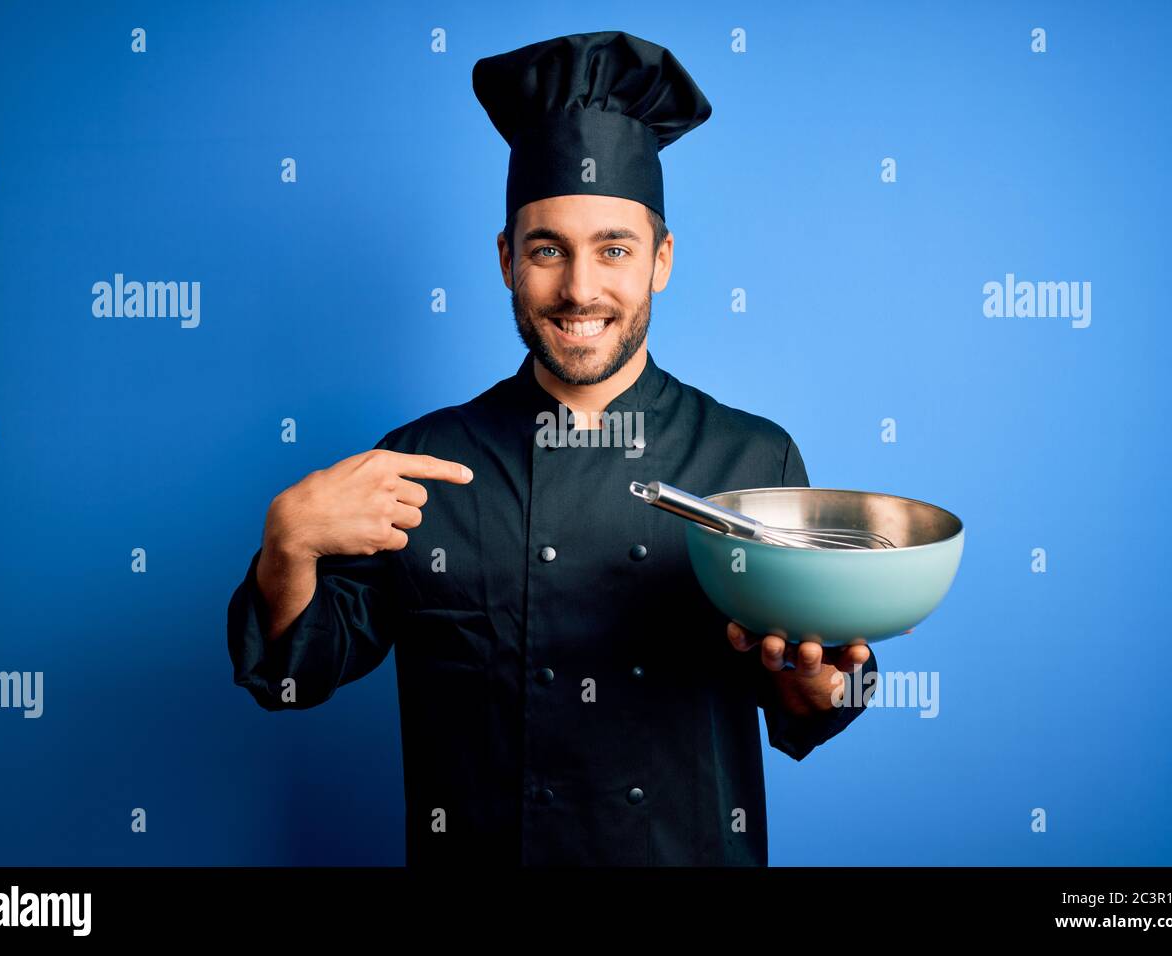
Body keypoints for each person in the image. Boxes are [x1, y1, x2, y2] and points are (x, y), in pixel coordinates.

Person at [226, 30, 878, 866]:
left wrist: (824, 683)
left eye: (614, 249)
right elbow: (291, 679)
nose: (580, 288)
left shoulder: (752, 460)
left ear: (661, 261)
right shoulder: (416, 466)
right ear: (506, 261)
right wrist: (285, 544)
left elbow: (822, 700)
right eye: (547, 250)